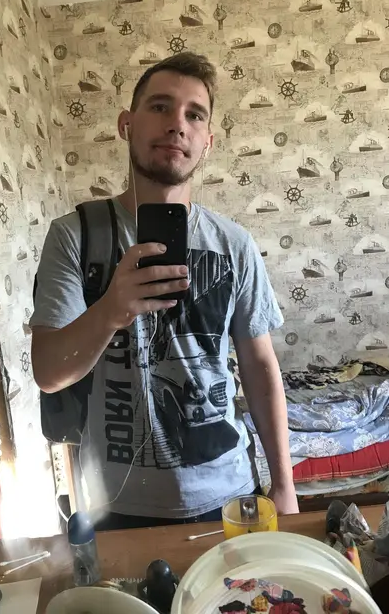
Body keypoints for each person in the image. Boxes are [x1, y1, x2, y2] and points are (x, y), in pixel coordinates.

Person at [31, 52, 298, 529]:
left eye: (195, 115)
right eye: (160, 107)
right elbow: (49, 373)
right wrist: (111, 310)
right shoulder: (74, 236)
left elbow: (259, 367)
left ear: (207, 142)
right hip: (115, 506)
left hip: (230, 494)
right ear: (126, 124)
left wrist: (284, 483)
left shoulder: (234, 244)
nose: (177, 124)